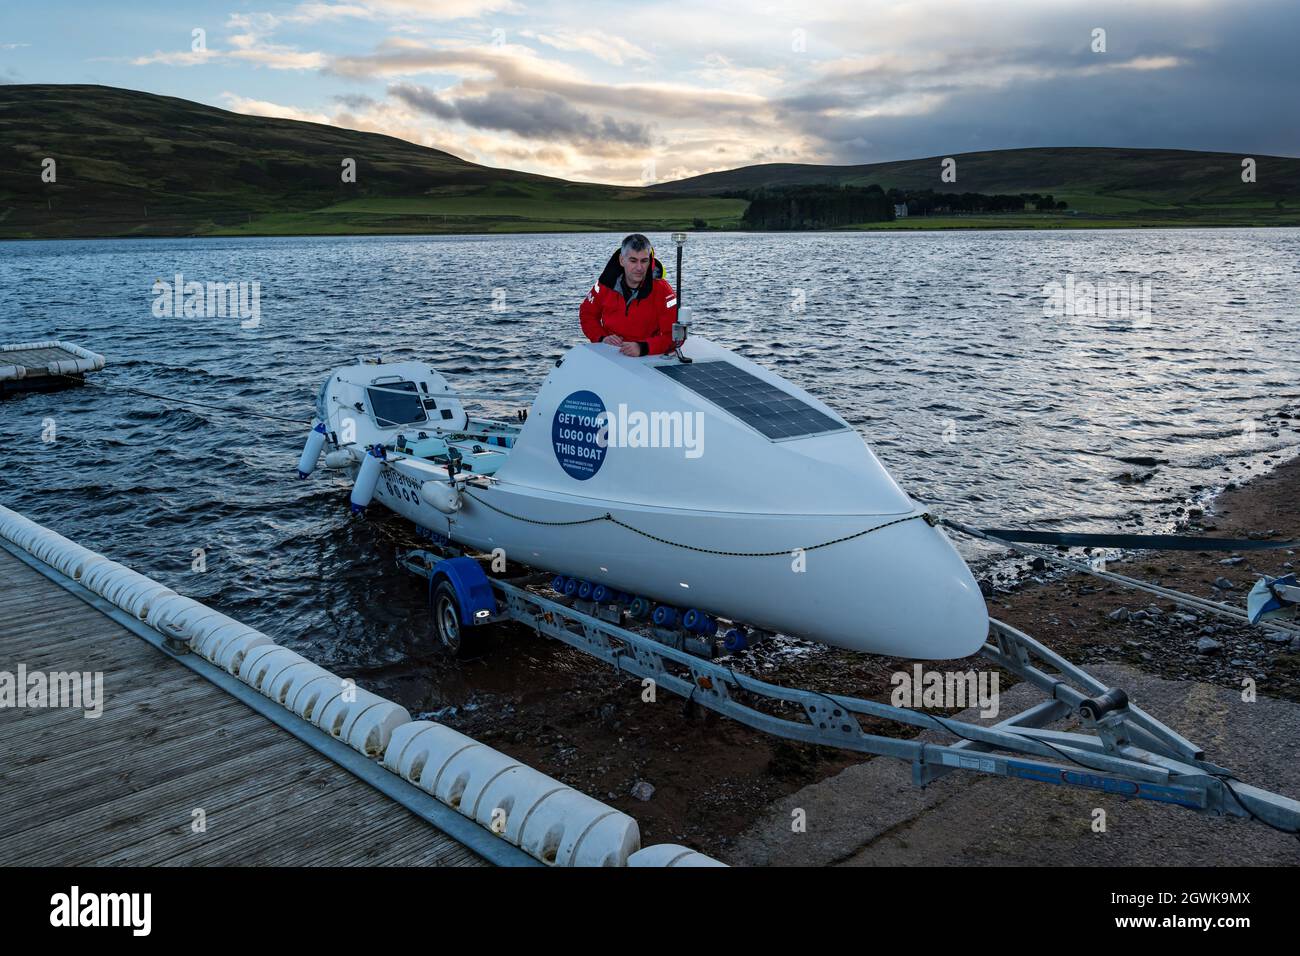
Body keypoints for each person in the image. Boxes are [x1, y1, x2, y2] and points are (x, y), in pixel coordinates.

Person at [579, 233, 678, 356]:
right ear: (622, 260)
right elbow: (587, 314)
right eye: (633, 261)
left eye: (644, 261)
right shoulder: (605, 284)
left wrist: (643, 347)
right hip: (610, 352)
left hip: (647, 358)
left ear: (650, 261)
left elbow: (676, 336)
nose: (639, 268)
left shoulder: (664, 291)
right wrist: (602, 338)